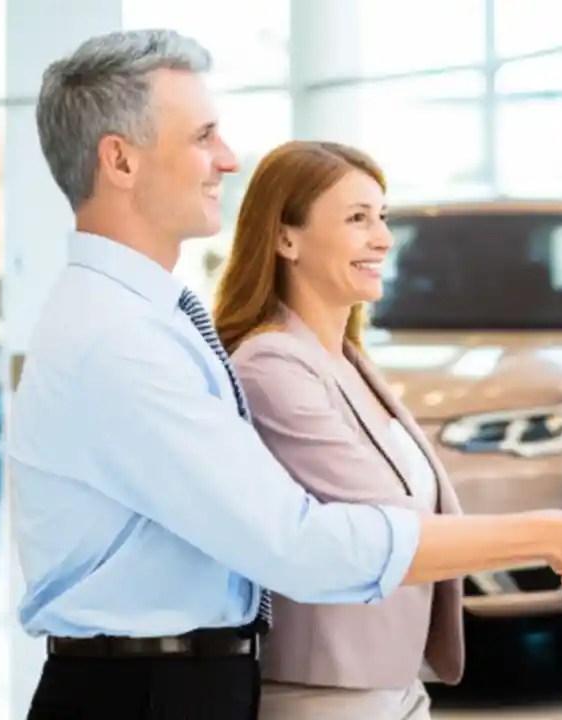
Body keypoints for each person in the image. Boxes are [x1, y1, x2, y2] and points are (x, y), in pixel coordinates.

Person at [10, 29, 562, 720]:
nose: (227, 161)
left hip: (179, 682)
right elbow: (299, 544)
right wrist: (552, 535)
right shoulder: (121, 340)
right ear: (120, 159)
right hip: (146, 695)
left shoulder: (145, 317)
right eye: (204, 136)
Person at [211, 140, 454, 718]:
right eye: (357, 219)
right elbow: (388, 528)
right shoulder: (270, 363)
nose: (383, 238)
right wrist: (556, 538)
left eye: (383, 218)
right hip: (325, 691)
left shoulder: (345, 360)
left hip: (391, 682)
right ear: (284, 238)